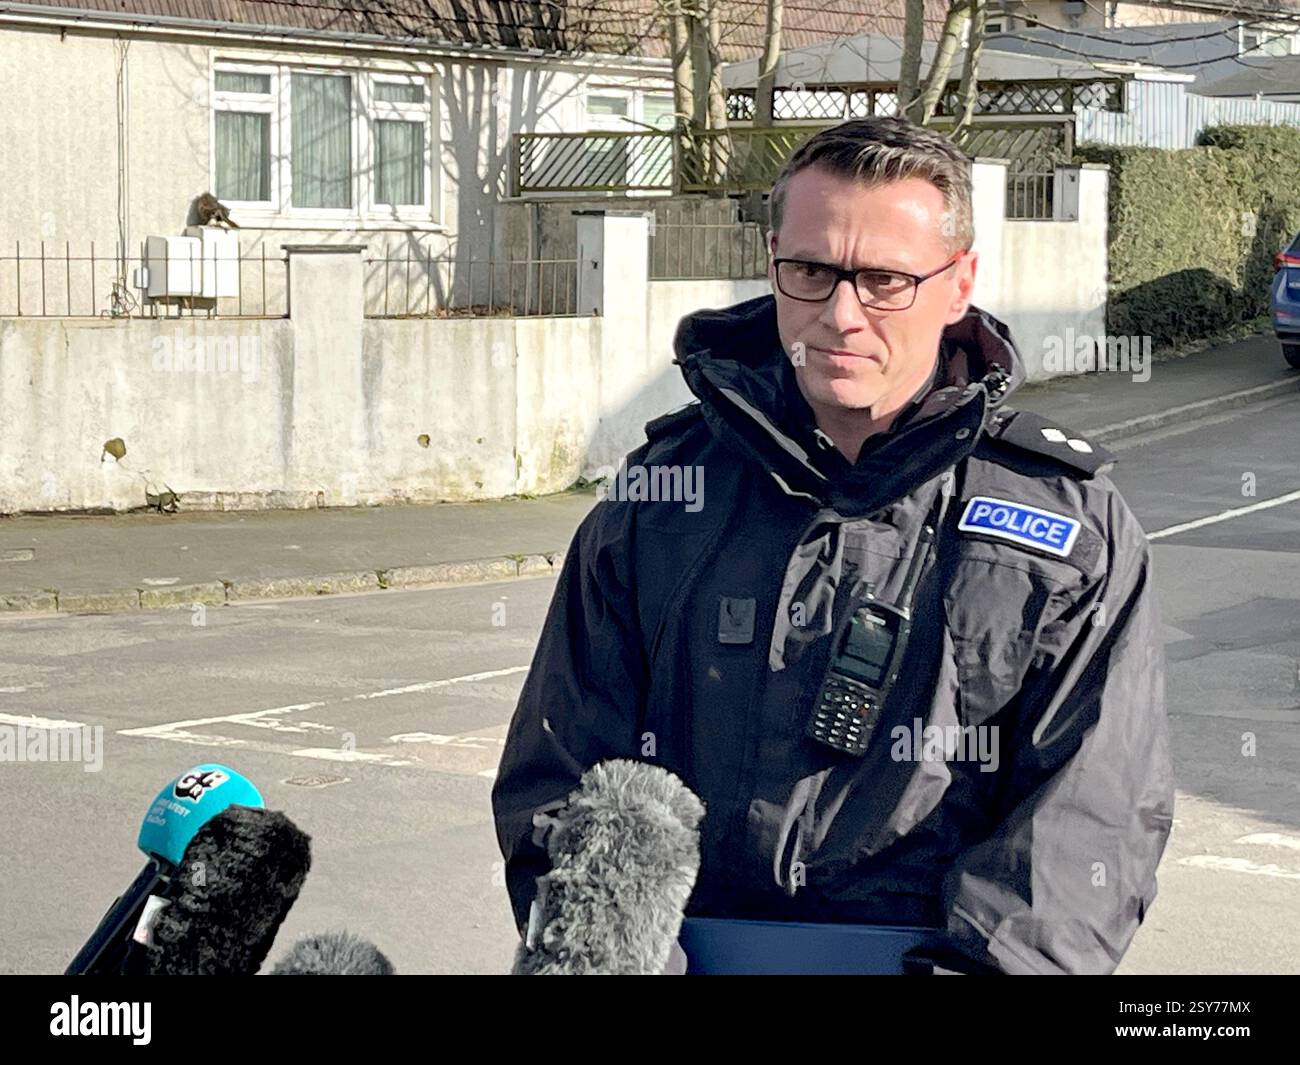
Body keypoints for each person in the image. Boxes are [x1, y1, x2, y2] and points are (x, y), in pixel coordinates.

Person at [491, 116, 1174, 975]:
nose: (840, 315)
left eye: (885, 279)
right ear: (774, 261)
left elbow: (1092, 816)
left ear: (958, 284)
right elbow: (558, 772)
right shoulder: (657, 500)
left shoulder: (1071, 527)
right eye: (811, 271)